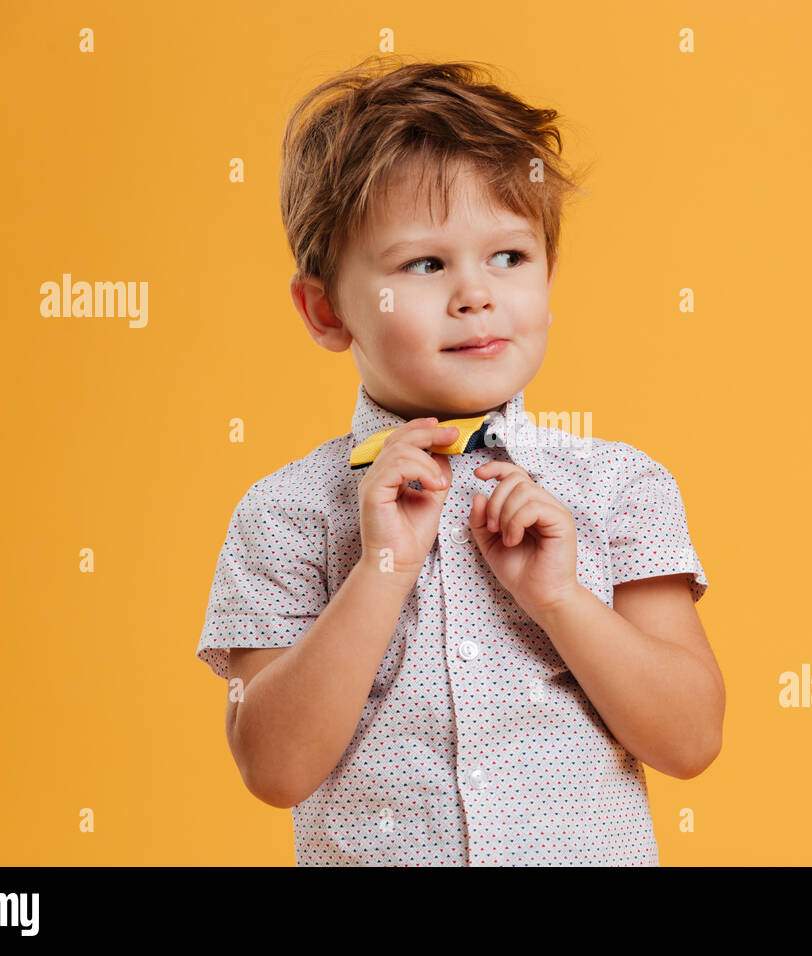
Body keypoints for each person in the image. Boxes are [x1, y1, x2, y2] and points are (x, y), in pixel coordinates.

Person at [196, 55, 724, 865]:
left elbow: (690, 739)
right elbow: (274, 768)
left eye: (509, 257)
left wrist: (561, 599)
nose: (475, 293)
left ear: (550, 280)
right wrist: (379, 568)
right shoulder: (286, 514)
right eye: (425, 263)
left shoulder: (620, 488)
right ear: (326, 308)